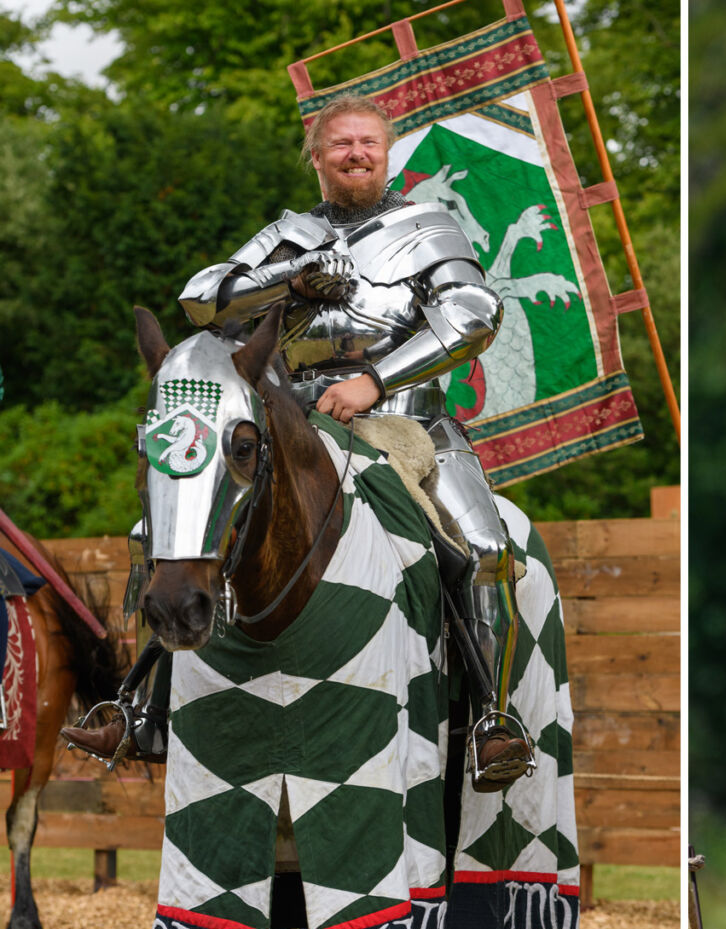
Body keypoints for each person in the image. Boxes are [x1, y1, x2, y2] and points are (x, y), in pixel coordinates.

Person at [62, 94, 530, 788]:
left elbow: (472, 314)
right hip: (296, 424)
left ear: (387, 151)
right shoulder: (288, 235)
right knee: (164, 527)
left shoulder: (429, 225)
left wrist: (374, 378)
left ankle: (494, 717)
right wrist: (291, 276)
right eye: (341, 144)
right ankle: (141, 709)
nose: (356, 154)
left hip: (411, 421)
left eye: (368, 143)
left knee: (486, 549)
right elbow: (201, 299)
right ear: (317, 158)